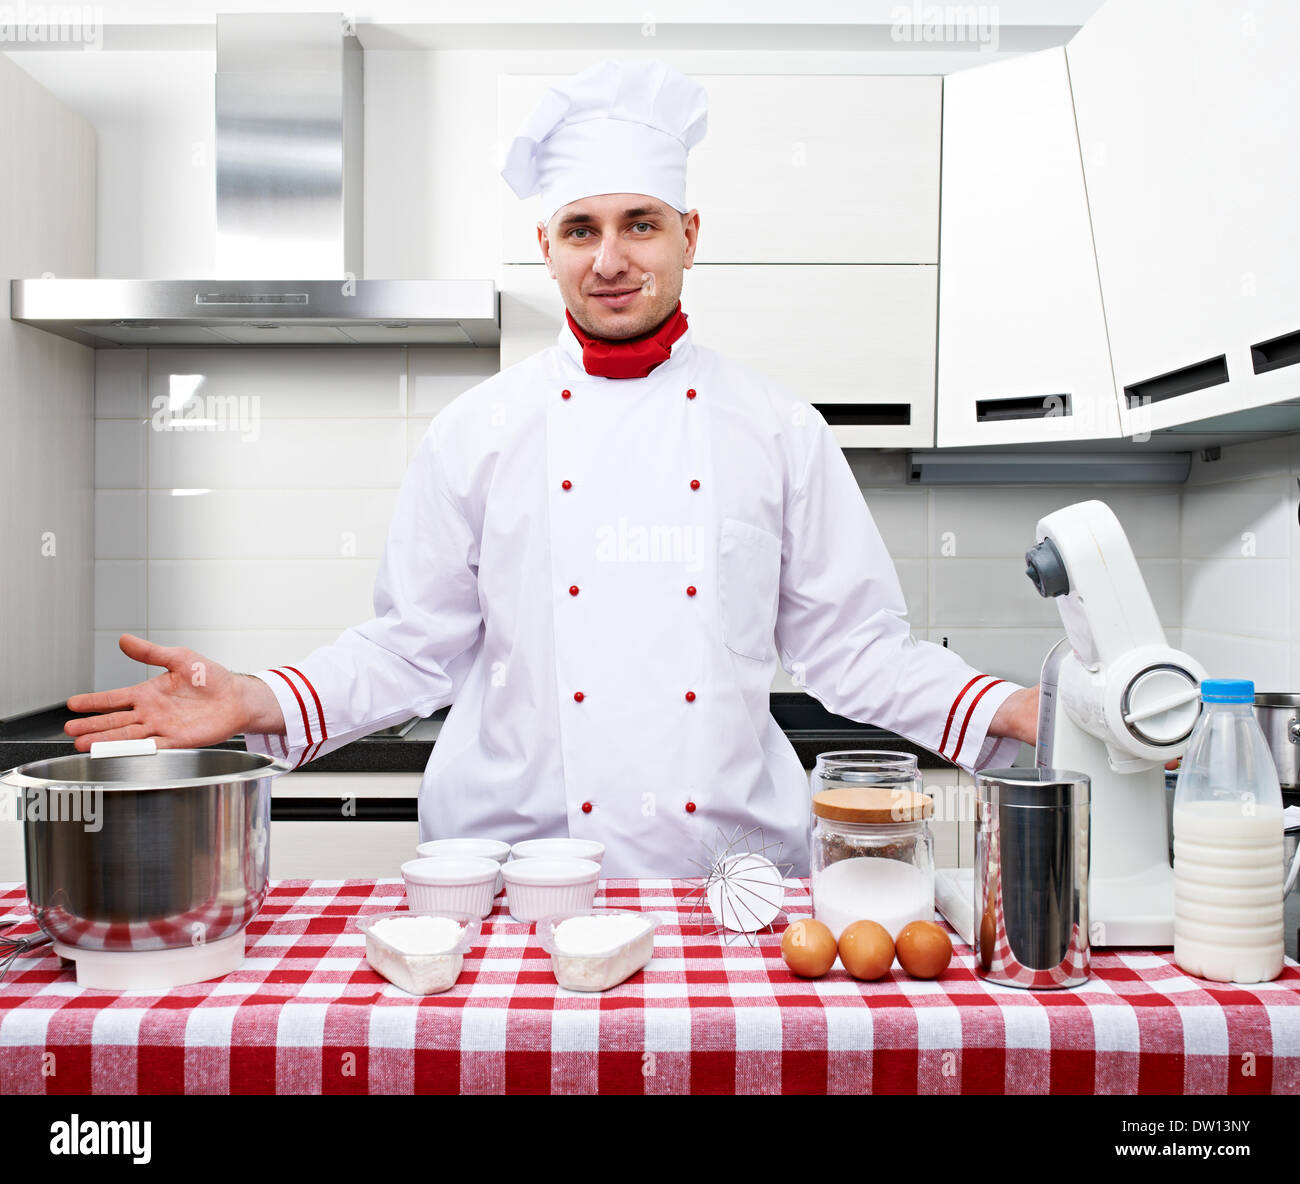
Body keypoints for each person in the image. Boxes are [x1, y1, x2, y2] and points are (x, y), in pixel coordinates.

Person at [65, 59, 1038, 877]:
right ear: (546, 246)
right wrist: (255, 695)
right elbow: (410, 648)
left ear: (690, 235)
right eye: (581, 229)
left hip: (726, 887)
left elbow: (853, 648)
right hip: (513, 882)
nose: (611, 258)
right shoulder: (477, 432)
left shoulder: (778, 429)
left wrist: (1016, 708)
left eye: (639, 223)